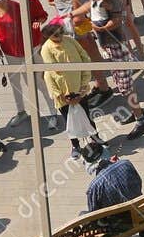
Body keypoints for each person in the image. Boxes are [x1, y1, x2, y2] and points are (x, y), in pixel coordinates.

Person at [79, 0, 144, 137]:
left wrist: (97, 27)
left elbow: (118, 20)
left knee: (126, 86)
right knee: (121, 82)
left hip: (117, 44)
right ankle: (136, 112)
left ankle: (141, 120)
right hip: (110, 46)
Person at [38, 17, 106, 162]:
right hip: (63, 95)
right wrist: (62, 95)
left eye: (60, 34)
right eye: (55, 36)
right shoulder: (46, 49)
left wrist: (82, 87)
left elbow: (84, 58)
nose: (59, 38)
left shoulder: (70, 40)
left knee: (87, 116)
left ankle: (95, 138)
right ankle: (75, 146)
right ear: (48, 36)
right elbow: (51, 73)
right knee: (70, 121)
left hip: (79, 89)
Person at [0, 0, 43, 122]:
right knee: (15, 82)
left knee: (31, 81)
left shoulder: (15, 6)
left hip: (23, 49)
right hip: (7, 50)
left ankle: (40, 110)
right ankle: (21, 112)